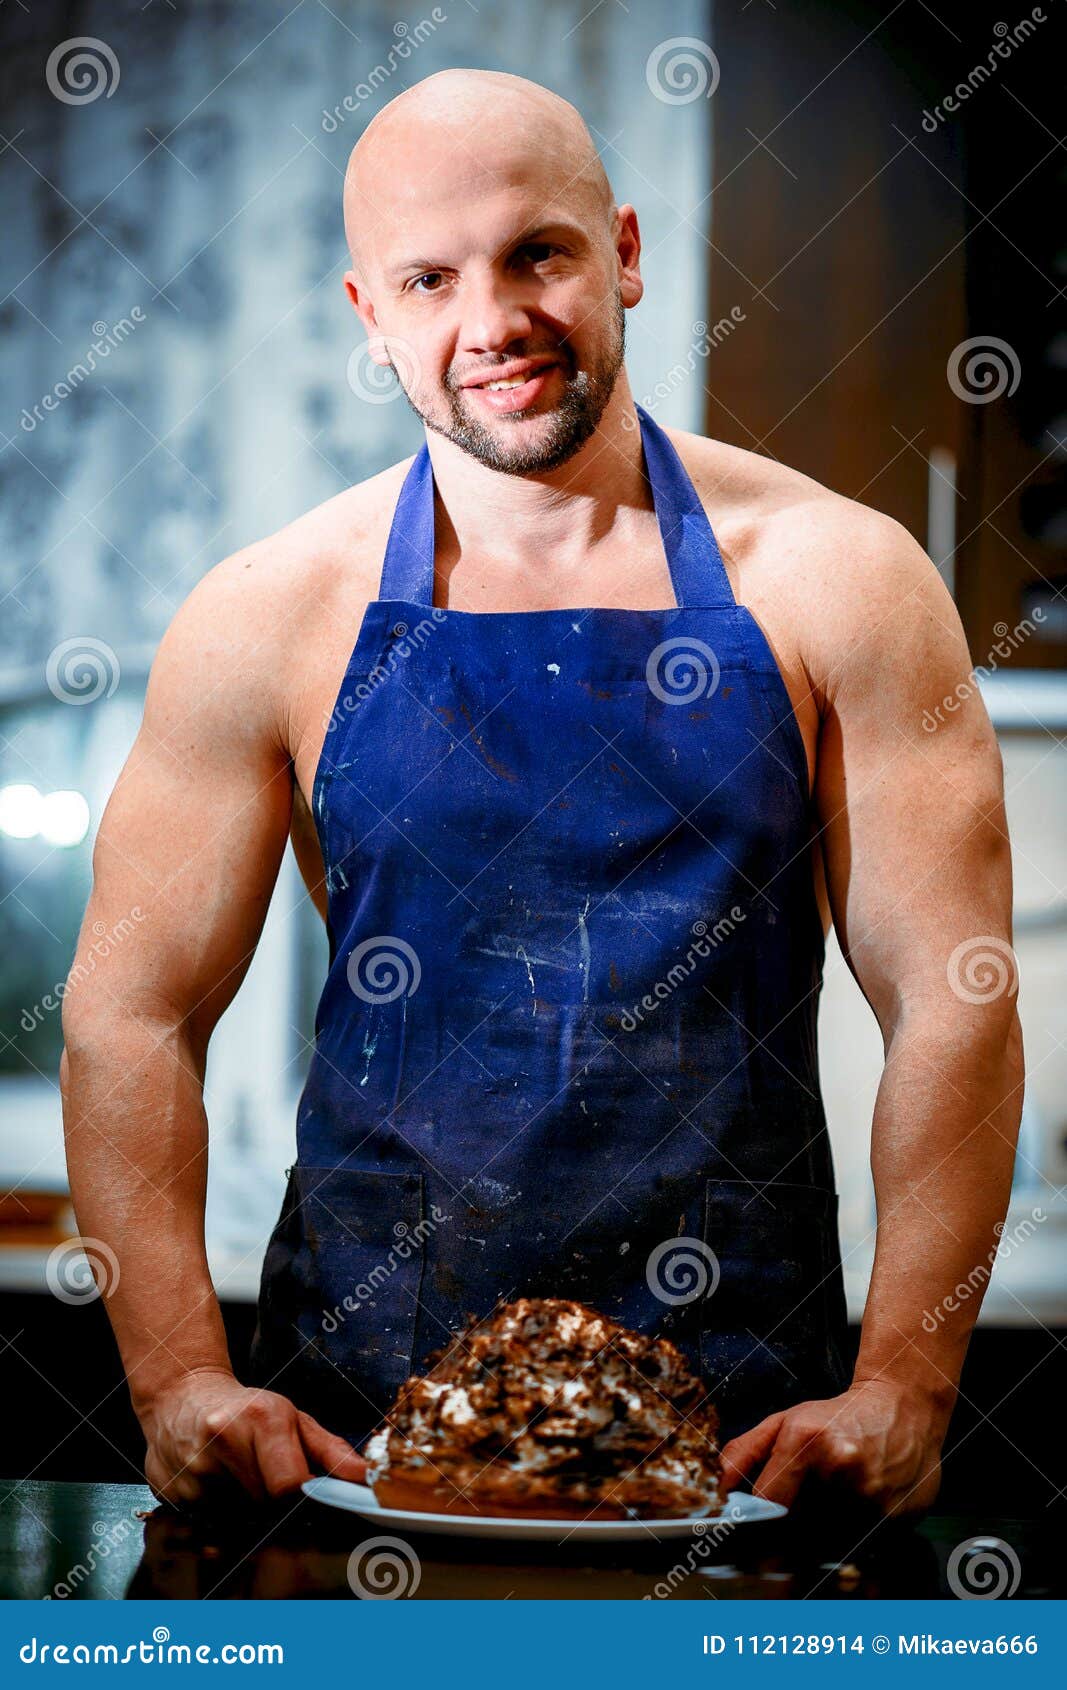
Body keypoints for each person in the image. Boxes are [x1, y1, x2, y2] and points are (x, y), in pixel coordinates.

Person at [61, 69, 1022, 1516]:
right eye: (428, 278)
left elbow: (954, 992)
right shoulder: (264, 616)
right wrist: (179, 1377)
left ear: (622, 252)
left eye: (538, 253)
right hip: (357, 1447)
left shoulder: (845, 579)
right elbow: (127, 1011)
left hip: (743, 1454)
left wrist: (905, 1385)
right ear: (367, 320)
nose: (491, 320)